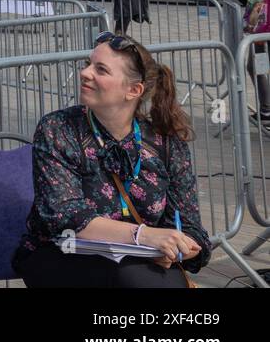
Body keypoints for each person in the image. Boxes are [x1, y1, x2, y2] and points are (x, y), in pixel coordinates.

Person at [14, 31, 212, 287]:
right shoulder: (58, 128)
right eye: (88, 64)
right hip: (63, 253)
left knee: (157, 280)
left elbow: (190, 227)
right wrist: (145, 236)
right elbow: (64, 216)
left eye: (101, 70)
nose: (85, 73)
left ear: (133, 90)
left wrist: (179, 246)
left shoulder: (166, 142)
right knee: (137, 280)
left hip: (139, 261)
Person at [241, 0, 270, 133]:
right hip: (260, 26)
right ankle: (266, 109)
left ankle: (267, 110)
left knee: (260, 65)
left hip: (266, 28)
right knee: (257, 65)